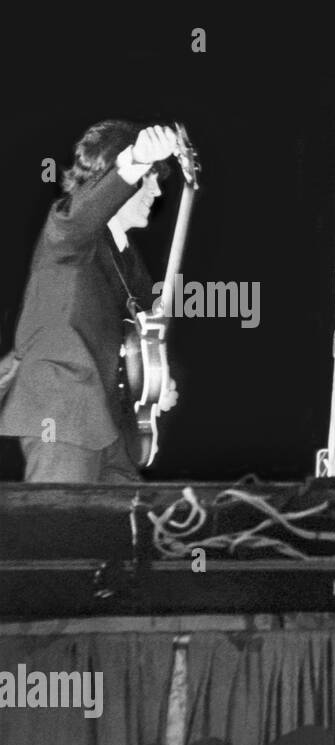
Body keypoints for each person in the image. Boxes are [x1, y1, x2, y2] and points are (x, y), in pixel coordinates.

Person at [0, 121, 180, 482]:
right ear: (111, 179)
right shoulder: (68, 236)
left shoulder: (127, 257)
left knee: (127, 530)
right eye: (148, 178)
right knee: (58, 531)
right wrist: (137, 159)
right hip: (61, 419)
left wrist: (156, 383)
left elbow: (137, 345)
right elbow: (79, 217)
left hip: (111, 428)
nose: (156, 190)